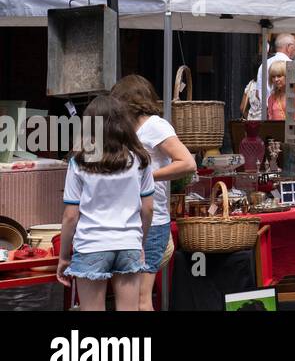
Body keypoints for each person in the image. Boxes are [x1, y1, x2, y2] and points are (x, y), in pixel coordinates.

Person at [56, 96, 155, 311]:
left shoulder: (79, 161)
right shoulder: (140, 159)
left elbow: (71, 216)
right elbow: (148, 209)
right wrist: (140, 243)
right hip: (128, 242)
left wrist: (64, 256)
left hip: (92, 244)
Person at [110, 75, 196, 310]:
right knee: (129, 297)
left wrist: (145, 178)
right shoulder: (128, 130)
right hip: (128, 220)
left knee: (141, 298)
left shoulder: (155, 126)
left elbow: (187, 163)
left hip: (152, 221)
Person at [242, 33, 295, 120]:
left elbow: (258, 94)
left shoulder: (263, 65)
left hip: (267, 117)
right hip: (290, 117)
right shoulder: (292, 65)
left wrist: (270, 107)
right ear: (289, 47)